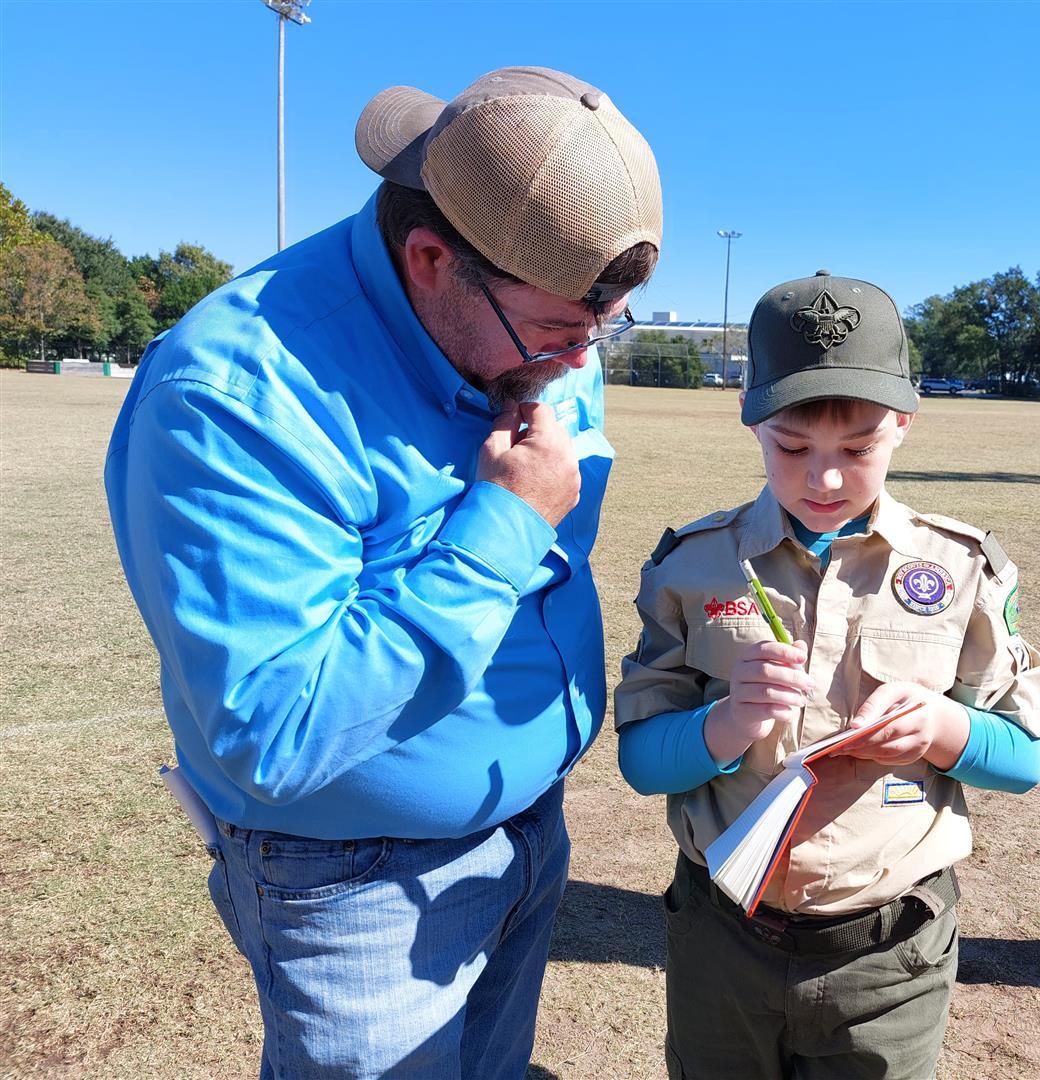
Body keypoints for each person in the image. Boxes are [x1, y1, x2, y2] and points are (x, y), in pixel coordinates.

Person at [104, 66, 661, 1078]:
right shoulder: (235, 394)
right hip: (352, 885)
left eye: (601, 332)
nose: (582, 367)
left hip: (528, 832)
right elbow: (273, 730)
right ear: (432, 257)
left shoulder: (535, 321)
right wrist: (501, 524)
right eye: (559, 334)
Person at [613, 271, 1040, 1080]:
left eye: (858, 450)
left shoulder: (961, 568)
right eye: (792, 448)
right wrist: (725, 726)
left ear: (904, 426)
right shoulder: (695, 565)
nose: (825, 479)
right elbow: (641, 761)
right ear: (752, 425)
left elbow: (1024, 760)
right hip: (724, 937)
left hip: (889, 953)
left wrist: (945, 729)